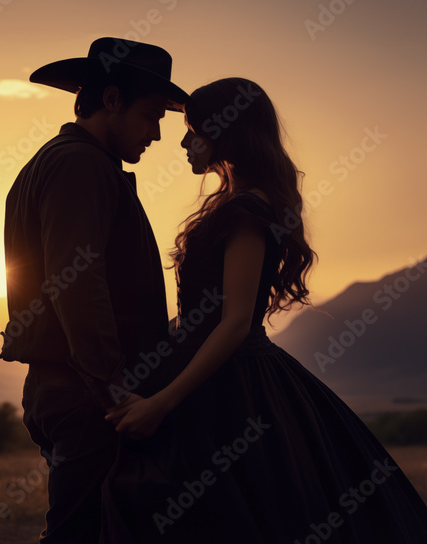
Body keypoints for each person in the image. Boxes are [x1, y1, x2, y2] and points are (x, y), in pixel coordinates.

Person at [100, 77, 427, 543]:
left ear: (226, 131)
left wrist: (160, 402)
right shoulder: (236, 204)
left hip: (230, 384)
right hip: (208, 372)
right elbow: (202, 316)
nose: (183, 140)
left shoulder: (248, 210)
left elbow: (234, 323)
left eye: (195, 129)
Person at [0, 37, 189, 543]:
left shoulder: (71, 161)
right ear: (110, 100)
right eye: (151, 115)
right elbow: (77, 283)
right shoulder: (79, 165)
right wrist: (116, 391)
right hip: (89, 396)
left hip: (74, 389)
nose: (156, 133)